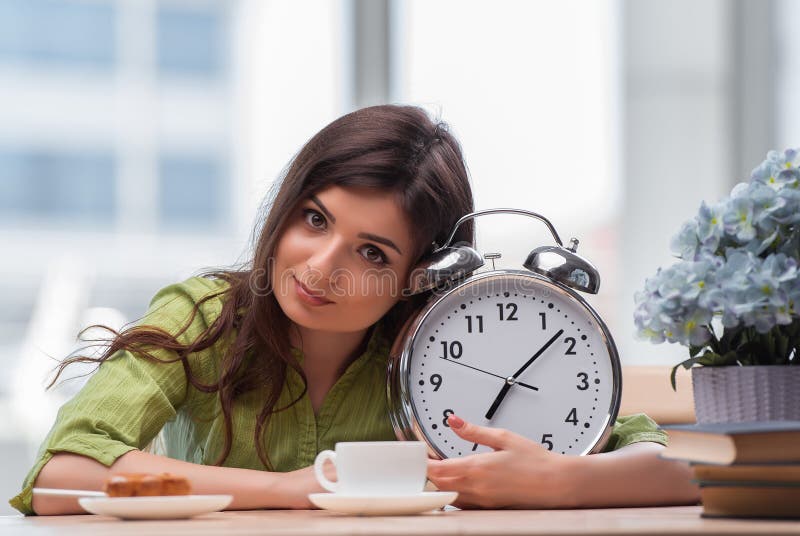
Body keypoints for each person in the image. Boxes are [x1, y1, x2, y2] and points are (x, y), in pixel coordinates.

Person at [11, 105, 698, 516]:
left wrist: (558, 481)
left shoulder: (447, 347)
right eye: (314, 219)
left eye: (371, 253)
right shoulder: (204, 315)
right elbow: (62, 475)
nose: (319, 267)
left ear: (416, 276)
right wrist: (291, 490)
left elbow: (672, 470)